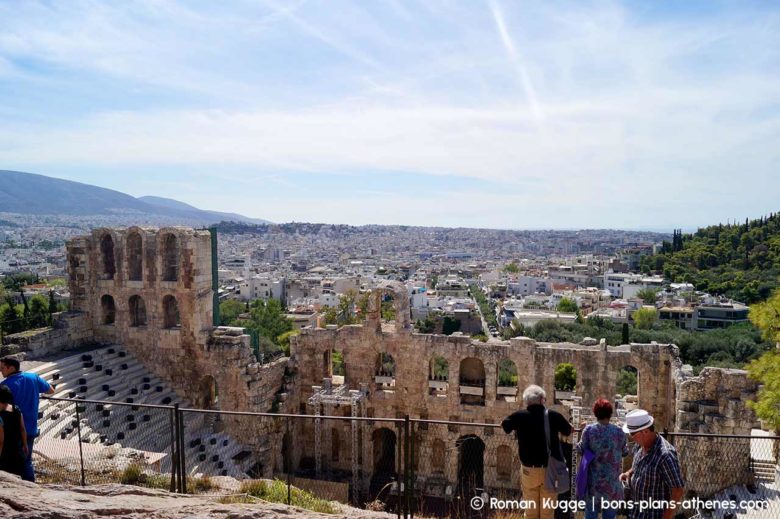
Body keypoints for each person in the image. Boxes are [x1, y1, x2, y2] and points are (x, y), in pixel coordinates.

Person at [502, 384, 573, 519]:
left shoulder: (519, 416)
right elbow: (568, 430)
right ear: (542, 399)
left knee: (530, 512)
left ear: (527, 401)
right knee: (547, 513)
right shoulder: (553, 415)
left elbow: (505, 425)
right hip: (549, 471)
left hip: (529, 471)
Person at [619, 409, 684, 519]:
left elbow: (678, 490)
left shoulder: (665, 455)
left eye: (633, 434)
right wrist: (628, 473)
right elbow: (638, 465)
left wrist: (667, 517)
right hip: (635, 513)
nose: (631, 436)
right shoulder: (640, 446)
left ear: (645, 431)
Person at [0, 357, 54, 482]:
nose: (1, 371)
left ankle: (23, 485)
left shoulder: (5, 385)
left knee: (9, 459)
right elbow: (51, 390)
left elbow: (5, 407)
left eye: (2, 368)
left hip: (12, 428)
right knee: (26, 459)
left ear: (11, 368)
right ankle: (29, 484)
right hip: (30, 427)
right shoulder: (33, 377)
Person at [578, 399, 628, 519]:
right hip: (612, 485)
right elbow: (625, 452)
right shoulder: (619, 432)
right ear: (610, 413)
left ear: (595, 413)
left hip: (593, 485)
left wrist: (581, 432)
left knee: (590, 515)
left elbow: (580, 450)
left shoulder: (589, 431)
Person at [0, 384, 28, 477]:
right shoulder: (16, 409)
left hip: (5, 453)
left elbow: (1, 440)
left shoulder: (1, 414)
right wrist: (25, 445)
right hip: (17, 450)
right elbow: (23, 429)